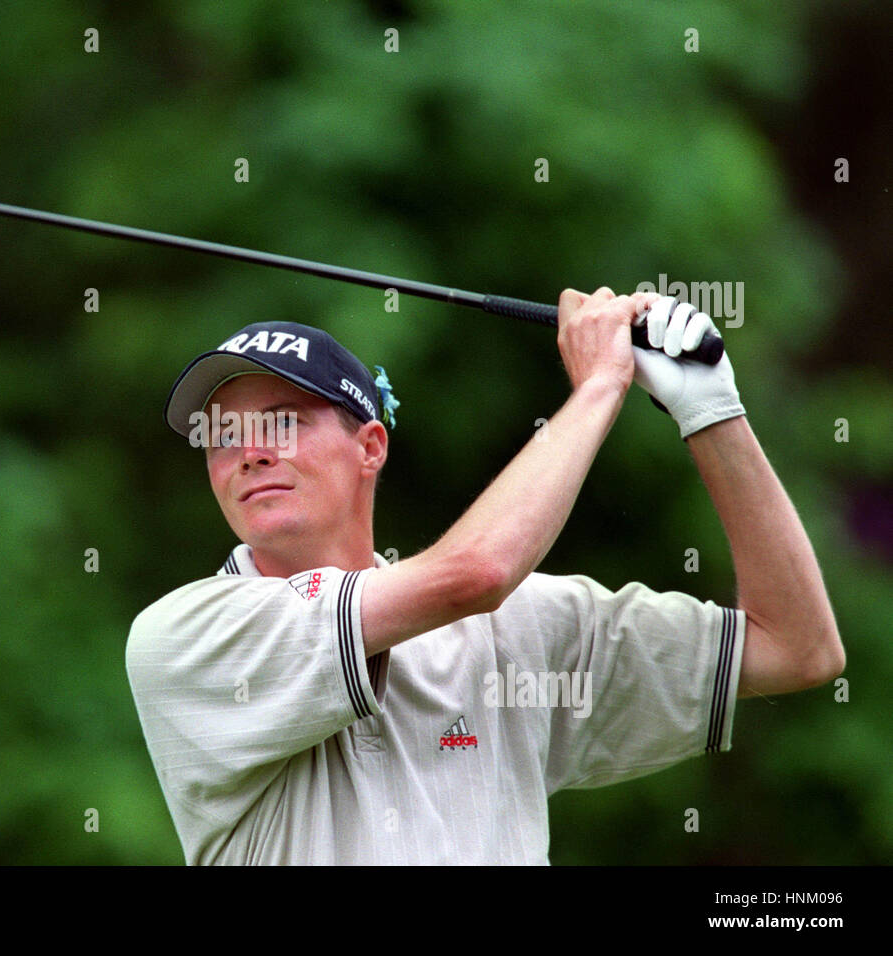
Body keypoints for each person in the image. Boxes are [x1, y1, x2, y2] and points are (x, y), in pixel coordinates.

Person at [125, 288, 844, 865]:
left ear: (369, 445)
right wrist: (601, 386)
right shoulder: (181, 636)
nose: (248, 452)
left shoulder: (517, 630)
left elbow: (799, 648)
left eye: (282, 422)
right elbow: (478, 571)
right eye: (222, 435)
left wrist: (710, 408)